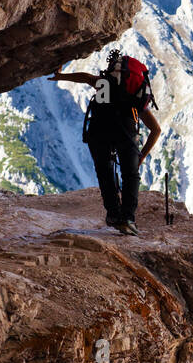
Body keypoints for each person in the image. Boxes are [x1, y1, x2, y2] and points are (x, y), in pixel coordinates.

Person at [50, 49, 161, 235]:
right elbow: (155, 130)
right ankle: (128, 219)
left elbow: (85, 77)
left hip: (99, 129)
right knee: (130, 175)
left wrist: (60, 76)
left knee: (105, 171)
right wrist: (141, 155)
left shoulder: (103, 84)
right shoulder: (135, 95)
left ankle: (113, 214)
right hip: (126, 131)